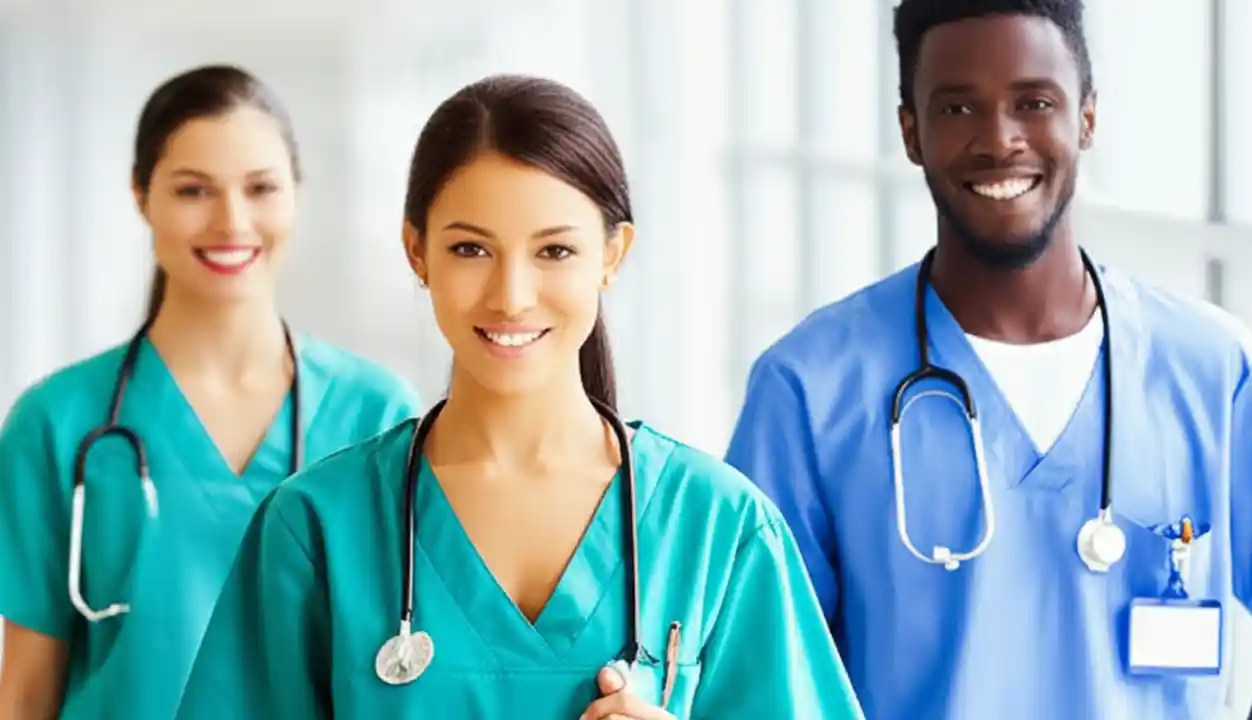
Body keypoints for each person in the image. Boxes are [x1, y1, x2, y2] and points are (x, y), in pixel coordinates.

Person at [173, 73, 863, 720]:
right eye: (471, 250)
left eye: (554, 252)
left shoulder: (716, 525)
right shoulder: (318, 527)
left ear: (613, 254)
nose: (510, 296)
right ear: (417, 252)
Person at [724, 2, 1252, 719]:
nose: (999, 139)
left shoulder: (1214, 372)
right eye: (958, 107)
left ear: (1086, 117)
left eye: (1034, 103)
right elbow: (758, 669)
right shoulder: (809, 388)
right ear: (911, 132)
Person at [0, 64, 422, 719]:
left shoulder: (378, 415)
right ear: (141, 196)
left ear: (296, 196)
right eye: (194, 190)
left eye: (261, 188)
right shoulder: (57, 423)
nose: (231, 221)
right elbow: (25, 692)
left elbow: (405, 665)